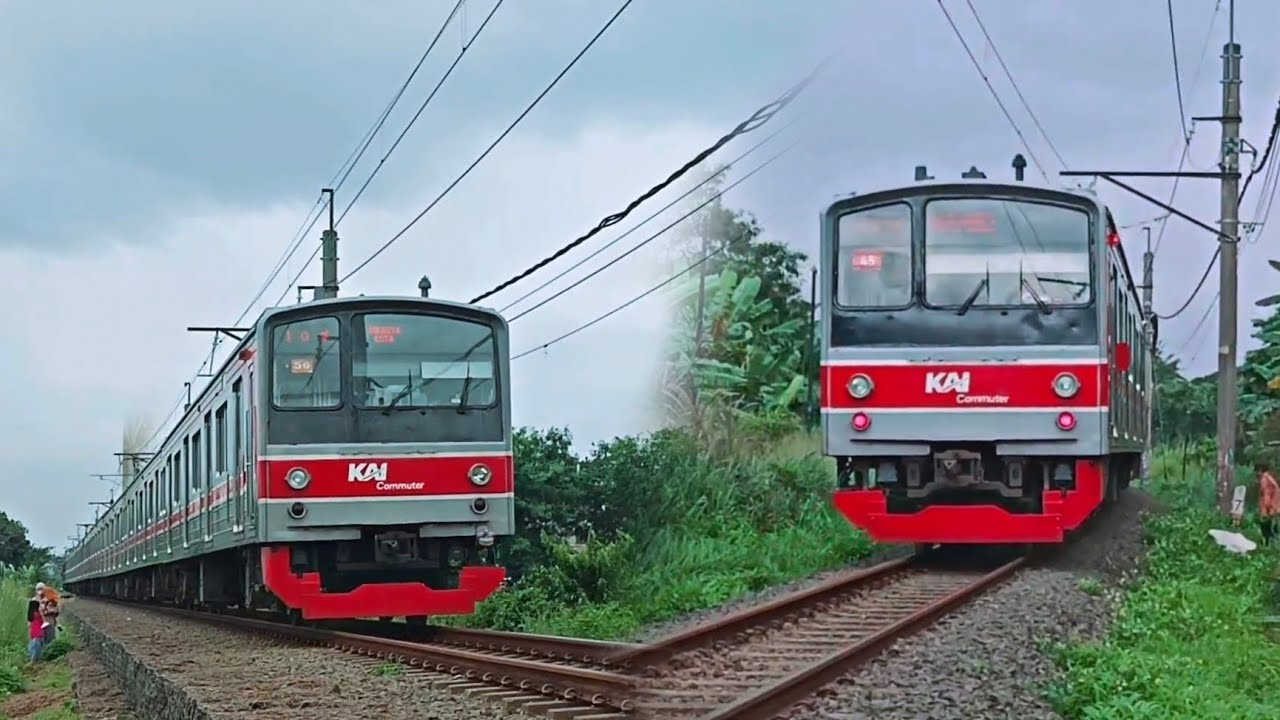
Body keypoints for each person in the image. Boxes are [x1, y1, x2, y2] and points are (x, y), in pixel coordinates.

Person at [1259, 463, 1279, 547]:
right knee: (1273, 524)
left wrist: (1267, 506)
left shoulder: (1264, 478)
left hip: (1268, 507)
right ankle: (1272, 542)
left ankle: (1268, 543)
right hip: (1274, 506)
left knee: (1265, 524)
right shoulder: (1271, 479)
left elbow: (1266, 492)